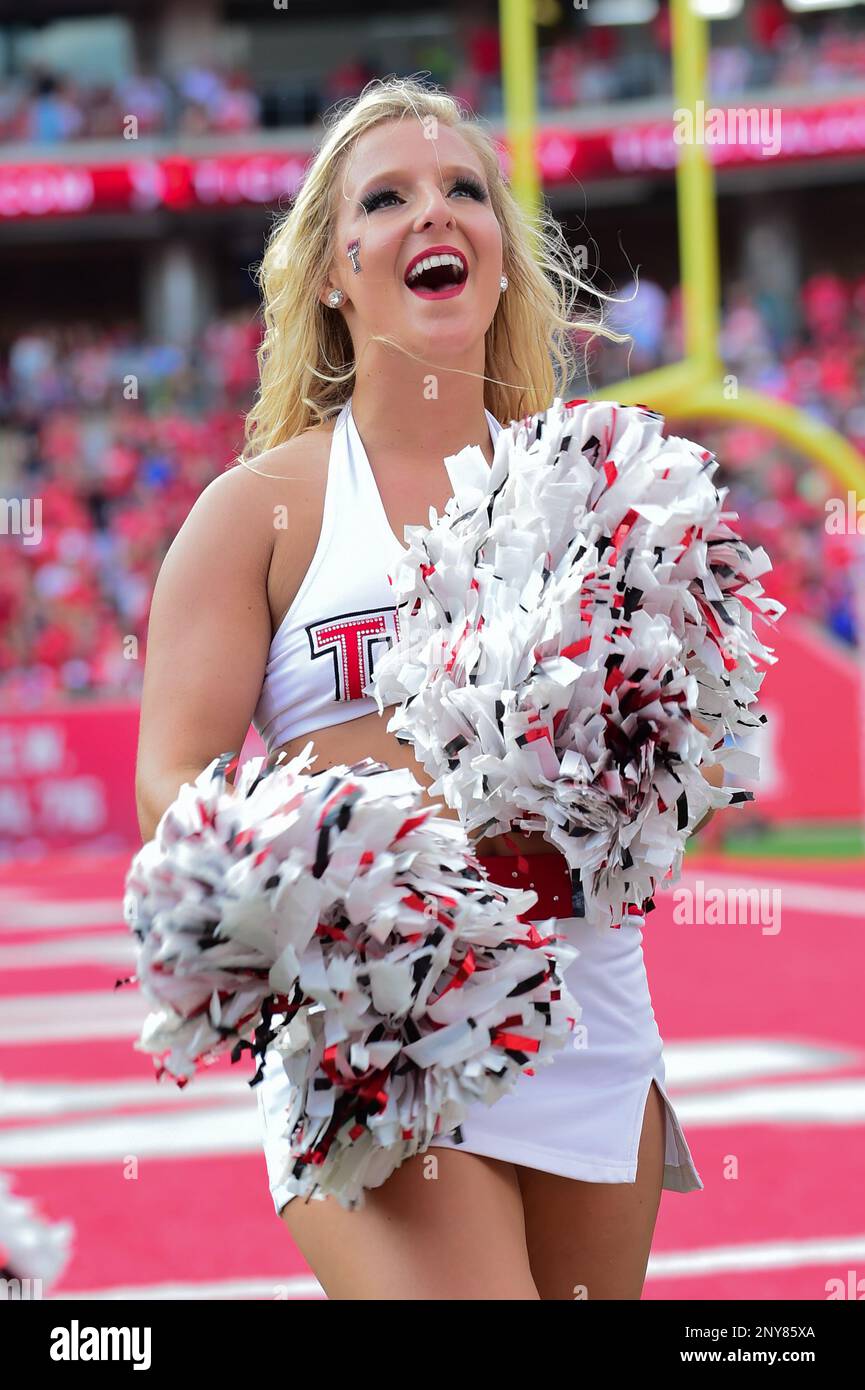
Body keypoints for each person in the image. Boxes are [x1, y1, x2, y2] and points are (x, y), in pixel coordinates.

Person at [135, 76, 720, 1301]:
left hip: (587, 1003)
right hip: (379, 1016)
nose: (433, 213)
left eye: (463, 191)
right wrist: (353, 868)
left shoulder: (599, 494)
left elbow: (681, 779)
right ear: (335, 270)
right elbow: (172, 784)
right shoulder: (263, 510)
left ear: (501, 257)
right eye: (386, 198)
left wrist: (648, 793)